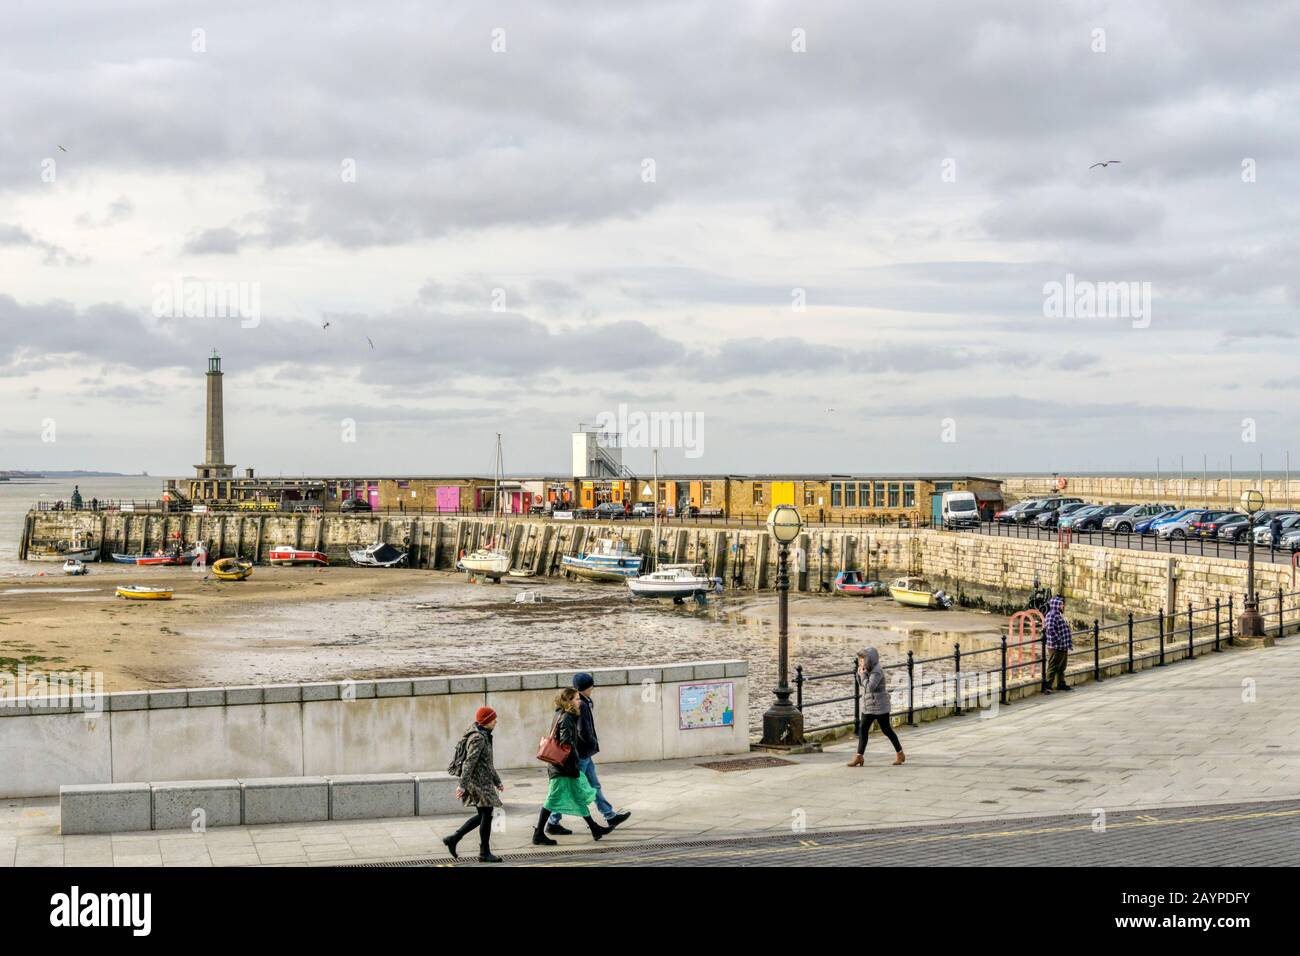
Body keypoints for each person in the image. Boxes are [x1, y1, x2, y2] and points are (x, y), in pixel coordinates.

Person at [544, 673, 631, 837]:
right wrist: (592, 743)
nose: (592, 688)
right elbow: (582, 731)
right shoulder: (581, 705)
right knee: (571, 789)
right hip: (581, 754)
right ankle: (552, 822)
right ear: (584, 688)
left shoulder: (579, 703)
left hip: (584, 754)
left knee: (593, 785)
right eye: (590, 686)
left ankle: (609, 815)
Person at [533, 688, 613, 845]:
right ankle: (538, 834)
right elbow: (567, 745)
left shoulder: (560, 713)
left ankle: (594, 828)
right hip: (563, 768)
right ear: (569, 701)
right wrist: (575, 764)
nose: (579, 702)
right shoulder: (567, 718)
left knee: (578, 796)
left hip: (562, 766)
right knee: (552, 800)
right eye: (576, 699)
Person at [442, 706, 505, 863]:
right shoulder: (478, 738)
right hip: (478, 783)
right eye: (493, 719)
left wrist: (497, 781)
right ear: (486, 721)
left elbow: (487, 762)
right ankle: (484, 852)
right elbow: (469, 762)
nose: (496, 721)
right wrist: (462, 785)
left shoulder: (483, 734)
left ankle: (454, 838)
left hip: (482, 780)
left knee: (483, 815)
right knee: (486, 815)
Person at [847, 647, 904, 767]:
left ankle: (900, 753)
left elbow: (870, 687)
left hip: (880, 705)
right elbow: (861, 683)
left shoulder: (877, 671)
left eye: (862, 659)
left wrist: (862, 674)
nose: (860, 661)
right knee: (863, 729)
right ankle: (859, 756)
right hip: (868, 705)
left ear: (869, 660)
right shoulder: (866, 669)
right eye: (860, 659)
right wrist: (859, 673)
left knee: (886, 730)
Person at [1043, 596, 1073, 693]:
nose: (1063, 606)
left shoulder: (1058, 615)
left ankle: (1061, 683)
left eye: (1062, 604)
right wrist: (1059, 640)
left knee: (1062, 666)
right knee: (1053, 666)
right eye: (1061, 604)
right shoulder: (1051, 615)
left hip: (1062, 645)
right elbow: (1050, 629)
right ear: (1056, 605)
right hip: (1056, 646)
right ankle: (1047, 686)